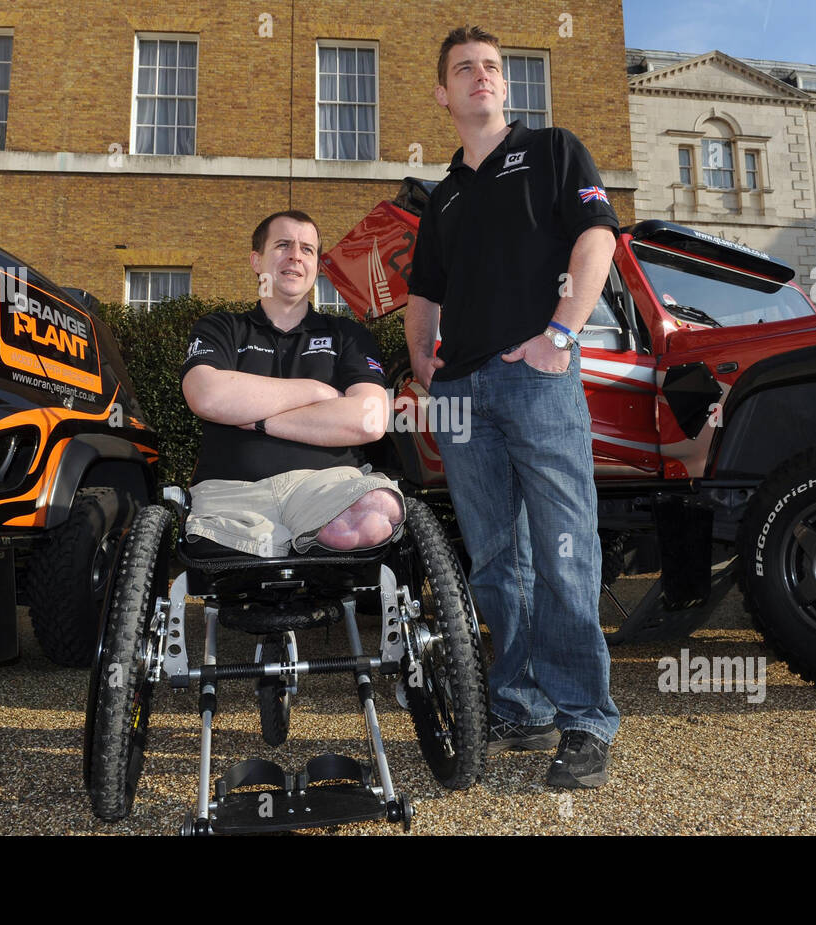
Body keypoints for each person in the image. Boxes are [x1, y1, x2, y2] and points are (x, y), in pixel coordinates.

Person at [406, 25, 620, 788]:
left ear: (506, 84)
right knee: (498, 559)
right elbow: (424, 292)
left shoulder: (556, 149)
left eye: (492, 67)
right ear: (443, 93)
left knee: (565, 548)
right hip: (461, 394)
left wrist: (561, 333)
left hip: (538, 376)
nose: (481, 77)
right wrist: (423, 367)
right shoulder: (444, 197)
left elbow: (598, 240)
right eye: (464, 68)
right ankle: (520, 704)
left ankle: (586, 719)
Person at [180, 210, 402, 557]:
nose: (296, 256)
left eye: (307, 249)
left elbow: (371, 419)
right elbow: (207, 395)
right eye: (283, 245)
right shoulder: (220, 328)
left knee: (377, 507)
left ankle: (326, 532)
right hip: (231, 493)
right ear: (257, 260)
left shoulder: (348, 335)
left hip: (327, 489)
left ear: (315, 265)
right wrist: (316, 393)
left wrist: (257, 418)